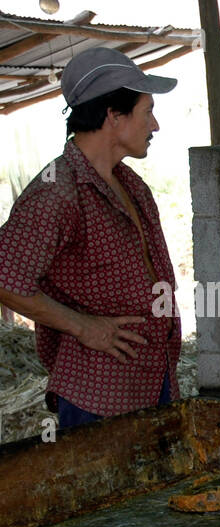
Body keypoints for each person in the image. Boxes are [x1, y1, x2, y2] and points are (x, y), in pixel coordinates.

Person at [0, 48, 179, 430]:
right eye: (147, 111)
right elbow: (5, 276)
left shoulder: (130, 184)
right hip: (98, 393)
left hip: (151, 378)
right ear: (114, 116)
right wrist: (84, 327)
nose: (156, 125)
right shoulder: (58, 191)